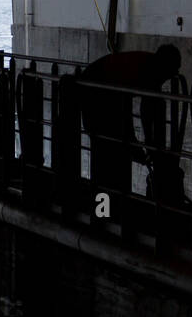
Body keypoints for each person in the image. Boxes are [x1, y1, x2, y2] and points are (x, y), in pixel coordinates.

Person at [78, 44, 182, 201]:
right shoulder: (150, 71)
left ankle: (107, 205)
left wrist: (143, 145)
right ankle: (106, 205)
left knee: (109, 148)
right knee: (107, 147)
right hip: (96, 90)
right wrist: (137, 145)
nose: (174, 75)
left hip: (97, 86)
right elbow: (129, 113)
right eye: (174, 70)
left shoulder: (151, 65)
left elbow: (146, 109)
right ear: (167, 66)